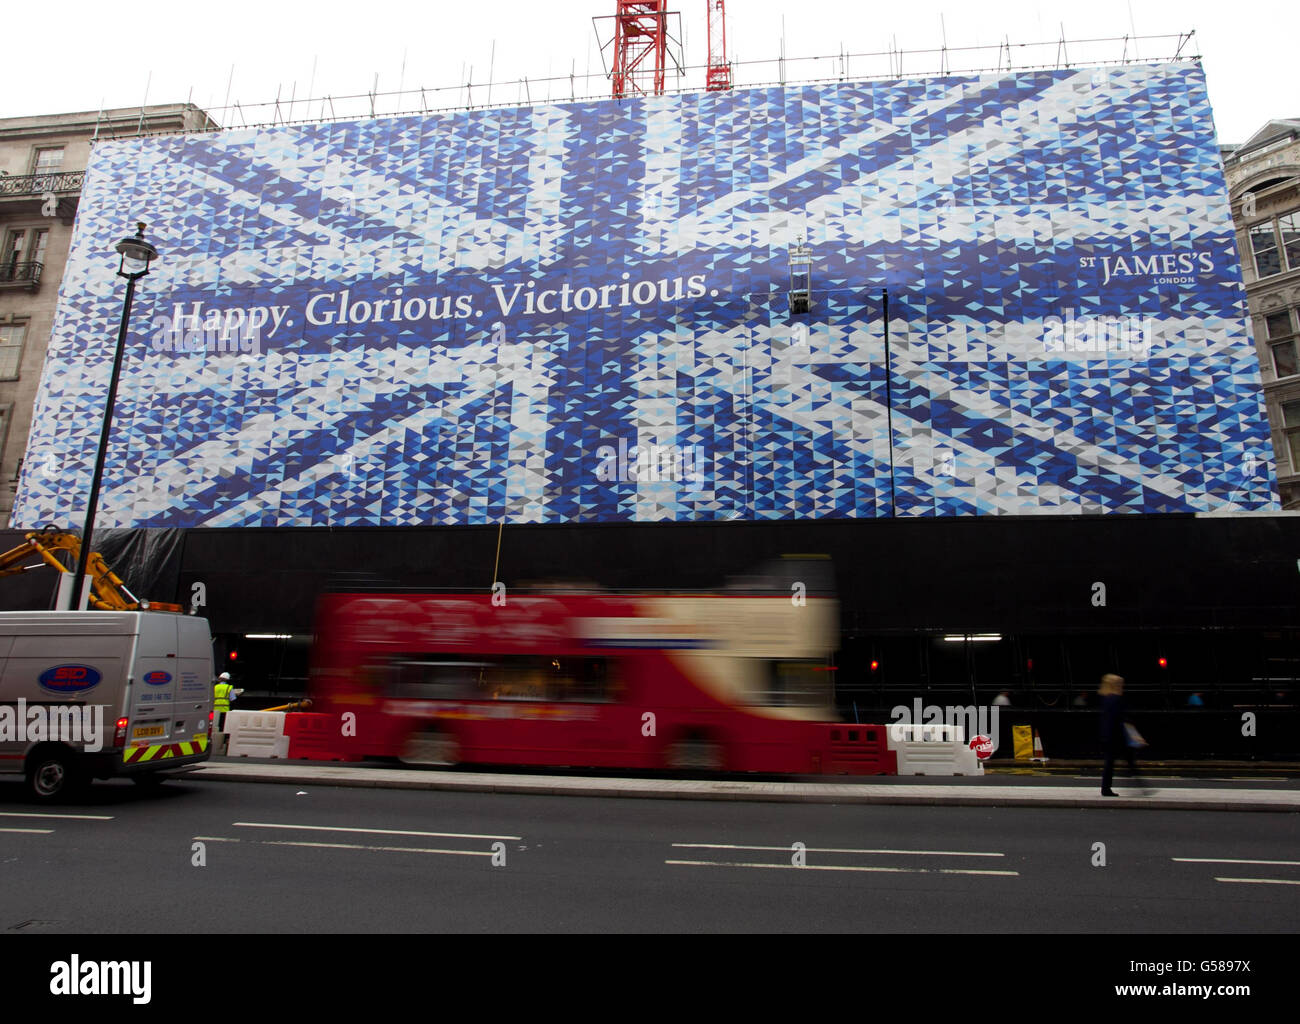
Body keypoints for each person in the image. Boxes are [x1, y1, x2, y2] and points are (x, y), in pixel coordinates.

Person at [1098, 673, 1148, 796]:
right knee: (1128, 761)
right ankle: (1140, 786)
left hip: (1109, 735)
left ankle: (1106, 788)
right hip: (1118, 736)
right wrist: (1135, 736)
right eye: (1120, 684)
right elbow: (1122, 719)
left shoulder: (1106, 698)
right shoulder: (1116, 698)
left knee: (1111, 762)